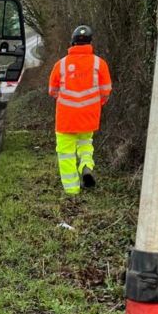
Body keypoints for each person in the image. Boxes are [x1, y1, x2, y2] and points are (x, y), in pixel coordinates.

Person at [48, 25, 112, 195]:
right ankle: (86, 167)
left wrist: (67, 101)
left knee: (66, 153)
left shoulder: (60, 65)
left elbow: (52, 91)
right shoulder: (100, 64)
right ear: (90, 42)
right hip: (89, 117)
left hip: (66, 119)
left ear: (72, 42)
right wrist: (94, 105)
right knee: (85, 145)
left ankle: (72, 190)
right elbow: (105, 92)